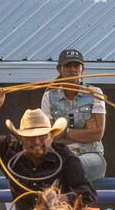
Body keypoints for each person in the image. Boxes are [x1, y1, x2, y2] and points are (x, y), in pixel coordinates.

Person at [42, 48, 107, 181]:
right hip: (60, 156)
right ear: (59, 70)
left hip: (92, 155)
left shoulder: (95, 93)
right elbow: (48, 135)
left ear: (82, 69)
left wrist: (64, 133)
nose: (72, 69)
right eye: (67, 66)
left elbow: (98, 134)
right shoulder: (49, 96)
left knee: (73, 165)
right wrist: (84, 133)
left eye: (76, 65)